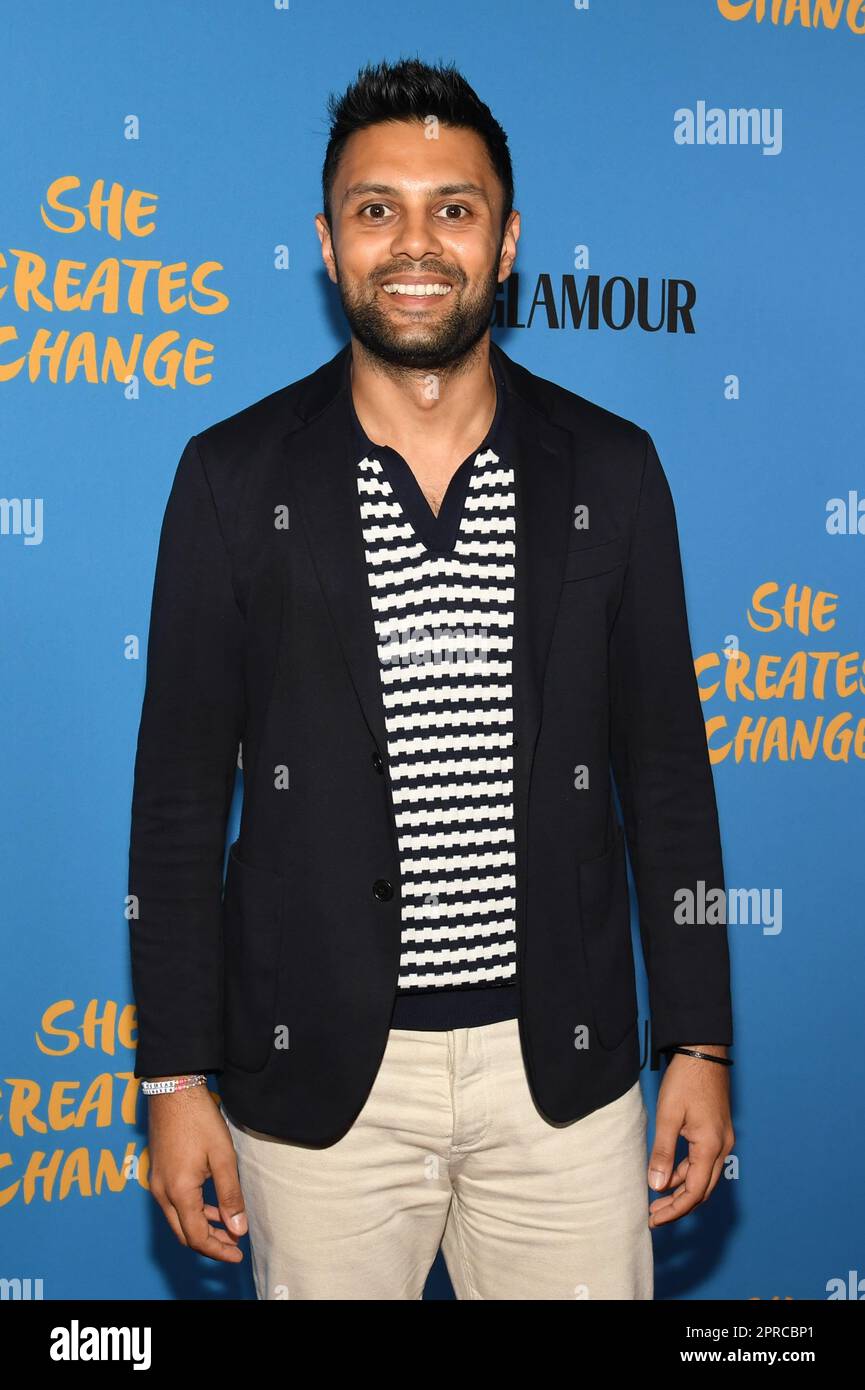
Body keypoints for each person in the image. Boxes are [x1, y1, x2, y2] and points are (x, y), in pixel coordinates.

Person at [128, 57, 734, 1300]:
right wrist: (174, 1077)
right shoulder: (231, 480)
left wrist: (699, 1036)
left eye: (453, 209)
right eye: (376, 208)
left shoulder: (611, 473)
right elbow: (179, 806)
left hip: (559, 1074)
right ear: (327, 243)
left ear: (506, 242)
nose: (416, 242)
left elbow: (668, 775)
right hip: (319, 1092)